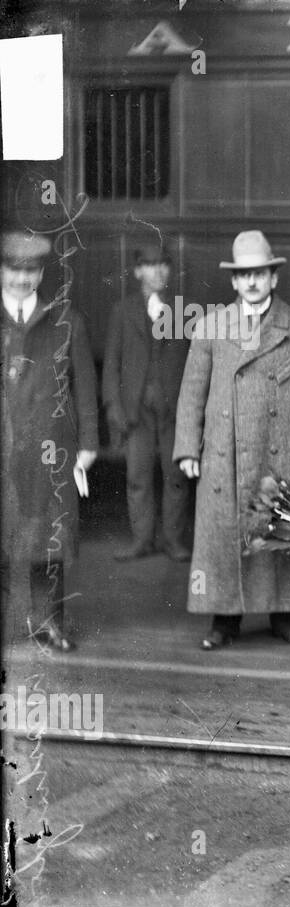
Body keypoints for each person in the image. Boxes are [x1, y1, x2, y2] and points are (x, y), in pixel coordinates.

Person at [173, 230, 290, 651]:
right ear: (233, 281)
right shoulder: (209, 327)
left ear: (273, 277)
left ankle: (285, 615)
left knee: (281, 531)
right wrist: (188, 447)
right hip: (223, 452)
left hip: (278, 448)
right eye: (243, 275)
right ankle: (224, 620)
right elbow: (192, 391)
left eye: (259, 273)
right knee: (224, 534)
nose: (251, 282)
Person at [0, 230, 97, 652]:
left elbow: (85, 389)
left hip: (51, 449)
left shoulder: (66, 320)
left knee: (50, 539)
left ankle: (50, 622)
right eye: (13, 269)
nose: (22, 279)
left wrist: (89, 443)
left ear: (40, 274)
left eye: (31, 271)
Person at [102, 235, 191, 563]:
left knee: (176, 476)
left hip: (173, 410)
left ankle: (173, 540)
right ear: (138, 271)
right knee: (137, 476)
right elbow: (111, 363)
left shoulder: (181, 310)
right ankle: (141, 540)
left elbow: (191, 361)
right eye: (151, 265)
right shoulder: (122, 311)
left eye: (164, 265)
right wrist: (113, 404)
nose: (159, 272)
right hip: (136, 409)